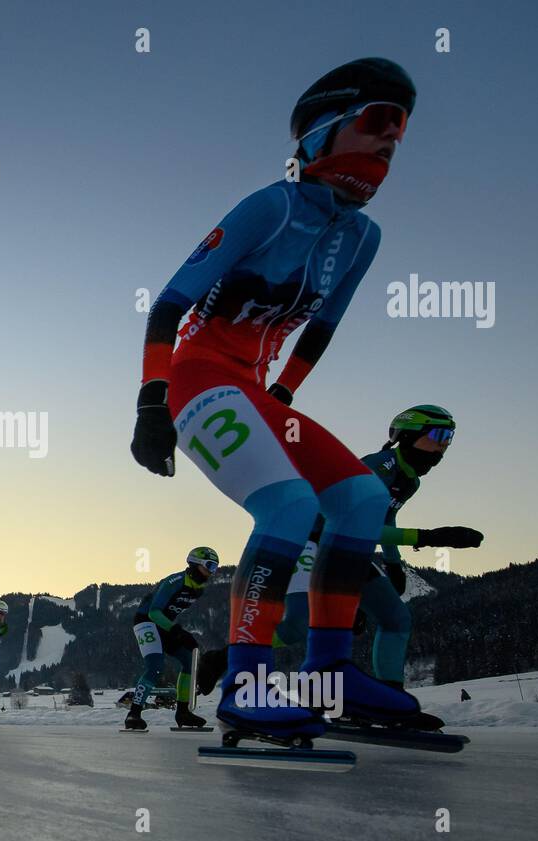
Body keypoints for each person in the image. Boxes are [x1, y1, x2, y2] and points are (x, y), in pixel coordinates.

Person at [130, 58, 432, 742]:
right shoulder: (270, 207)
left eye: (402, 127)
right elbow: (169, 305)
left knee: (360, 498)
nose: (392, 138)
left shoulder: (362, 237)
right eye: (377, 120)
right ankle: (244, 682)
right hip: (196, 380)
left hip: (256, 390)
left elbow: (321, 332)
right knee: (290, 505)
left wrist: (283, 402)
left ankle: (332, 672)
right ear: (322, 134)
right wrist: (151, 405)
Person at [262, 406, 484, 698]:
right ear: (409, 435)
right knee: (298, 627)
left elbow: (387, 518)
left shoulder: (410, 481)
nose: (444, 445)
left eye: (450, 437)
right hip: (310, 540)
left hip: (344, 548)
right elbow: (353, 527)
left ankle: (390, 697)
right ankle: (231, 654)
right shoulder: (377, 468)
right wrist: (429, 537)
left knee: (396, 619)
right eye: (439, 434)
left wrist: (394, 564)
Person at [121, 548, 218, 731]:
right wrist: (177, 631)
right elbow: (154, 611)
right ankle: (133, 714)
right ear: (196, 564)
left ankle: (183, 712)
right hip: (147, 621)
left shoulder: (198, 588)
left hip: (163, 625)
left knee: (190, 661)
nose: (212, 572)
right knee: (155, 667)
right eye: (210, 566)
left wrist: (178, 632)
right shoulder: (176, 581)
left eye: (215, 568)